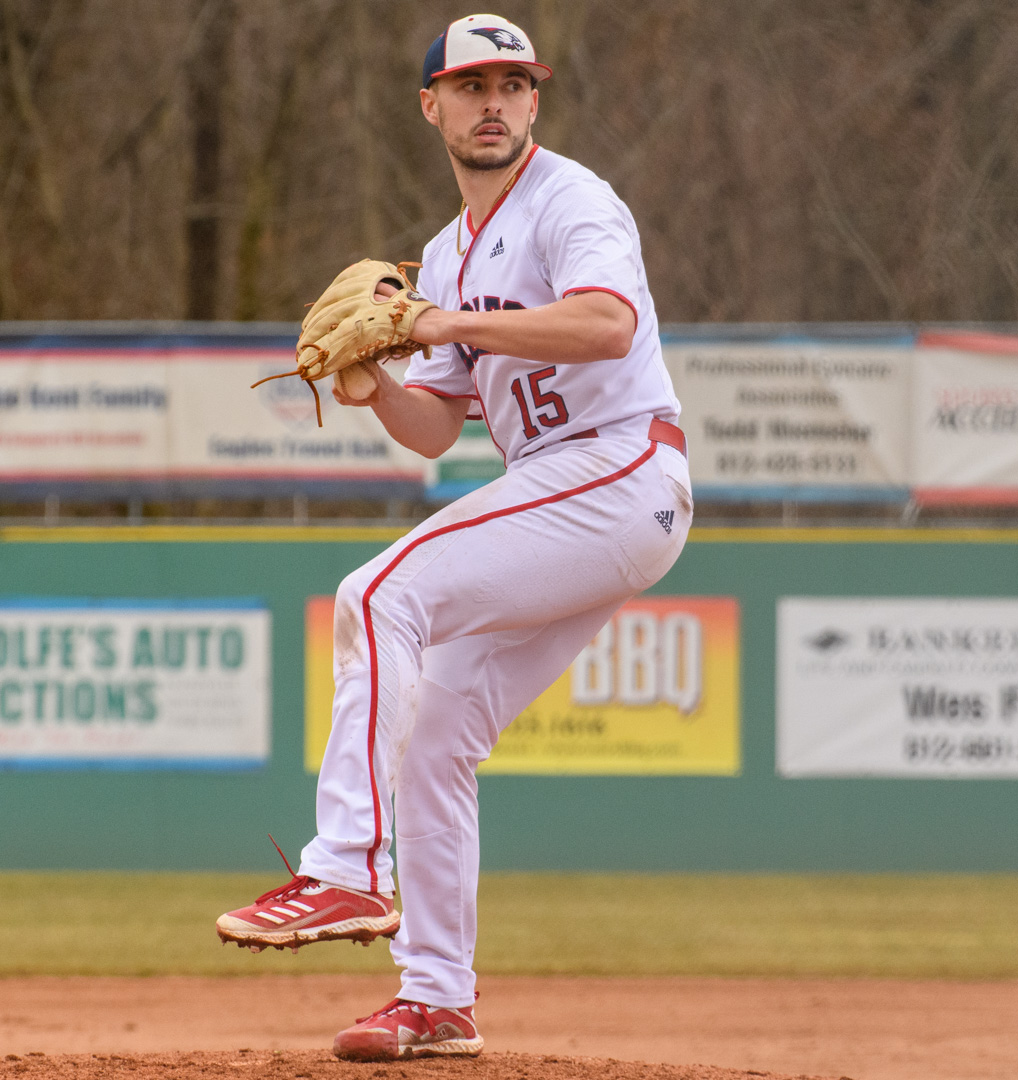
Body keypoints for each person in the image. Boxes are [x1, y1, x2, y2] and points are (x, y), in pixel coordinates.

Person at [214, 13, 691, 1063]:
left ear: (535, 102)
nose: (494, 103)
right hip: (572, 493)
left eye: (513, 85)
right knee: (433, 735)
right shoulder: (443, 252)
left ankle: (345, 867)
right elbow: (436, 426)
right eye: (471, 84)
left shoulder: (573, 200)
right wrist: (373, 377)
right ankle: (436, 997)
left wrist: (446, 325)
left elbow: (607, 322)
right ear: (431, 105)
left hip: (621, 463)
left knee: (381, 596)